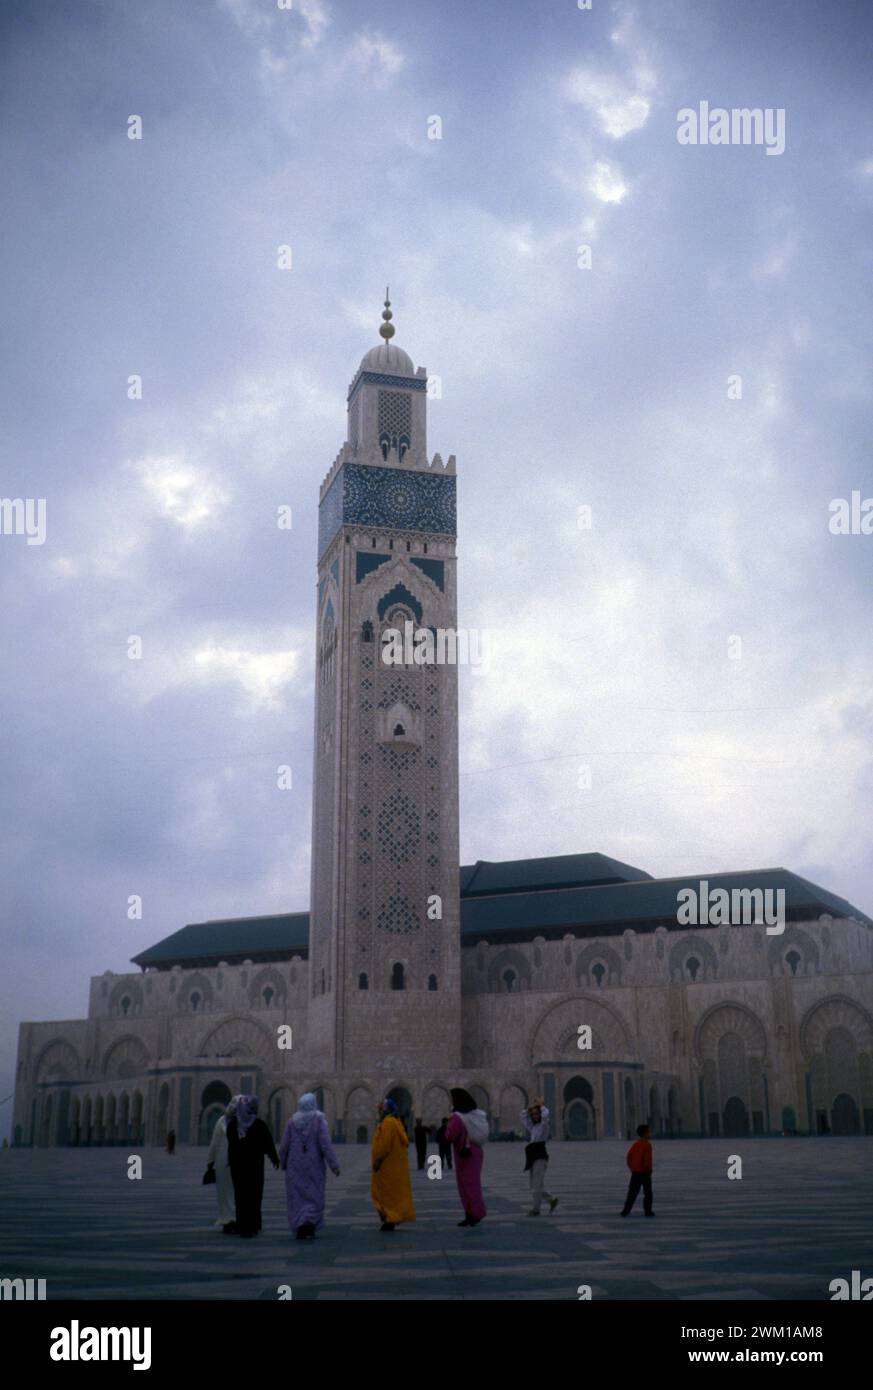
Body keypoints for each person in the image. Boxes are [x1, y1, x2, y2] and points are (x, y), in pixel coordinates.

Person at [278, 1092, 340, 1240]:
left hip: (295, 1166)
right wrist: (334, 1165)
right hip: (314, 1166)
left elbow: (284, 1145)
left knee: (297, 1196)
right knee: (314, 1195)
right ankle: (309, 1225)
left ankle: (300, 1225)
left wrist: (283, 1162)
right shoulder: (319, 1121)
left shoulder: (291, 1122)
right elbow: (326, 1145)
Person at [226, 1094, 279, 1237]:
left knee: (241, 1195)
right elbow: (268, 1144)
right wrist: (274, 1159)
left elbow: (230, 1146)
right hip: (255, 1167)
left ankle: (243, 1225)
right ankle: (253, 1225)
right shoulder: (259, 1125)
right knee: (254, 1195)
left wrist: (230, 1160)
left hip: (238, 1167)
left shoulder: (233, 1125)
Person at [371, 1099, 416, 1232]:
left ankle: (390, 1218)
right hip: (393, 1166)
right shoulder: (395, 1122)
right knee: (393, 1193)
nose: (379, 1111)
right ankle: (393, 1217)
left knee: (386, 1194)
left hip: (387, 1165)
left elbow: (384, 1145)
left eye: (380, 1109)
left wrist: (378, 1160)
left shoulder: (388, 1123)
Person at [446, 1088, 488, 1227]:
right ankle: (471, 1214)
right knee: (471, 1183)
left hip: (465, 1155)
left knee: (467, 1185)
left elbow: (450, 1135)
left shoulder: (458, 1117)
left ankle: (475, 1214)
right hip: (475, 1152)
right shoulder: (474, 1115)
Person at [206, 1096, 240, 1232]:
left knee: (226, 1191)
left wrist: (210, 1162)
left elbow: (214, 1144)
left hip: (223, 1161)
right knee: (235, 1190)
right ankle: (234, 1219)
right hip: (236, 1161)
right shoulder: (245, 1122)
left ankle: (228, 1219)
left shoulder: (221, 1121)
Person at [520, 1098, 559, 1216]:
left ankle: (536, 1209)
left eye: (537, 1114)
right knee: (535, 1185)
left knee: (536, 1185)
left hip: (540, 1157)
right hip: (533, 1157)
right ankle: (552, 1199)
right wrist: (530, 1109)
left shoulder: (544, 1126)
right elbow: (523, 1117)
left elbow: (546, 1115)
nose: (535, 1116)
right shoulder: (534, 1127)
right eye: (533, 1114)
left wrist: (541, 1106)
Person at [620, 1123, 654, 1218]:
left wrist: (632, 1168)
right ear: (645, 1133)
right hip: (645, 1173)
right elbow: (647, 1160)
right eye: (649, 1132)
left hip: (635, 1173)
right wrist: (649, 1170)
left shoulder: (635, 1144)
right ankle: (648, 1211)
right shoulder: (647, 1145)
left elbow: (629, 1157)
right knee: (648, 1193)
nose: (650, 1134)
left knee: (632, 1193)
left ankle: (625, 1210)